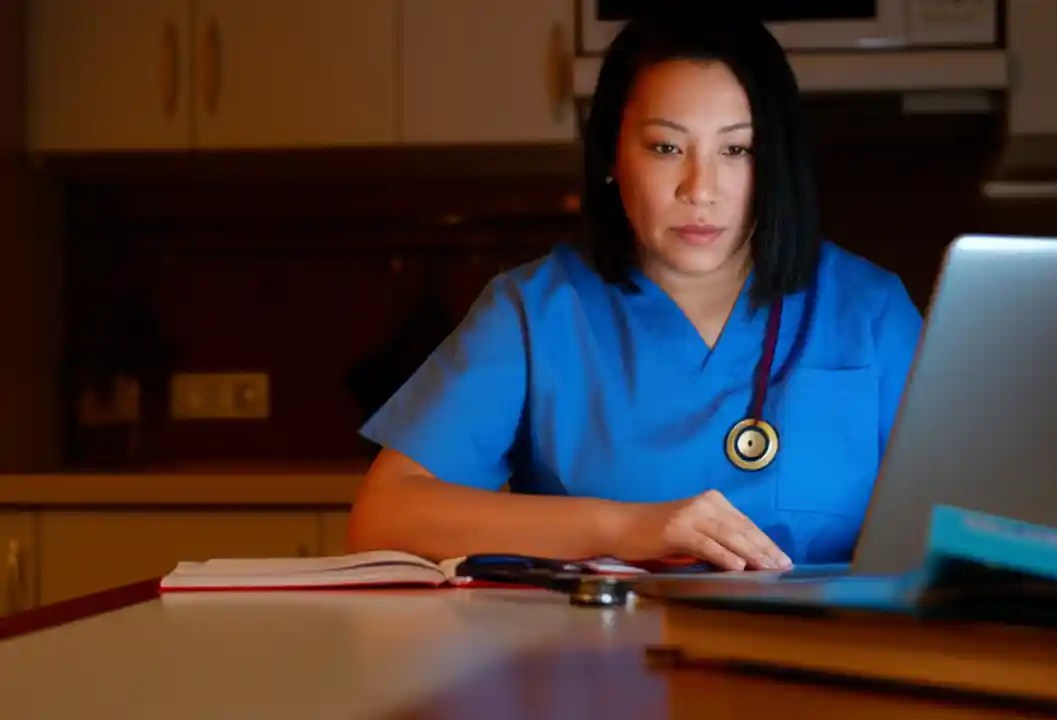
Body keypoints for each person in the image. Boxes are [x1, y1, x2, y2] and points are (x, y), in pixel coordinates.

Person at [346, 6, 923, 571]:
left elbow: (968, 520)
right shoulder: (536, 312)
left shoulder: (869, 310)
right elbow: (384, 515)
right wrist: (622, 529)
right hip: (587, 655)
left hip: (822, 659)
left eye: (738, 149)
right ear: (610, 157)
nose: (701, 189)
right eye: (666, 147)